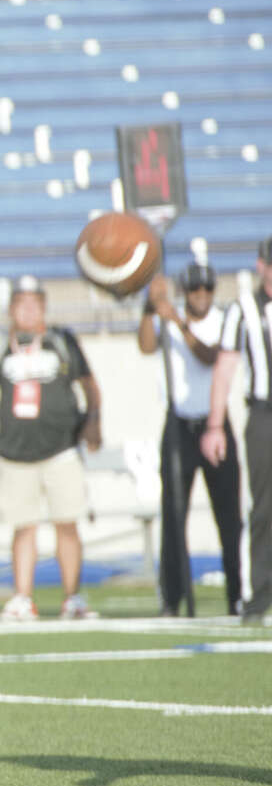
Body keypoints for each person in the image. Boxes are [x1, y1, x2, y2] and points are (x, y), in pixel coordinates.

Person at [0, 276, 102, 621]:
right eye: (22, 303)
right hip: (15, 453)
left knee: (66, 523)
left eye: (35, 303)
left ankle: (72, 598)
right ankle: (23, 597)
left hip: (61, 449)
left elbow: (89, 384)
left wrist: (94, 421)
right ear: (11, 309)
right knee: (23, 527)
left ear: (44, 306)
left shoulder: (61, 341)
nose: (29, 310)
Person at [140, 264, 242, 616]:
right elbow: (145, 344)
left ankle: (237, 594)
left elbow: (209, 357)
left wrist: (179, 325)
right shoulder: (168, 317)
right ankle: (172, 597)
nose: (201, 295)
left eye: (206, 289)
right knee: (173, 513)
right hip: (179, 424)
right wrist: (151, 307)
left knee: (228, 515)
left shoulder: (221, 319)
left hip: (213, 425)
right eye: (195, 289)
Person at [201, 238, 272, 626]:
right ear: (261, 266)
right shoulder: (242, 309)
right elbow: (225, 368)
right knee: (263, 508)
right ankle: (257, 595)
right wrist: (215, 425)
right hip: (264, 415)